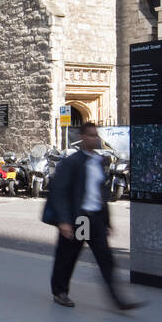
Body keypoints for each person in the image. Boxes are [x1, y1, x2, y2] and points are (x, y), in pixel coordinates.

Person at [43, 121, 142, 311]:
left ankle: (118, 299)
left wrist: (107, 221)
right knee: (69, 256)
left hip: (95, 217)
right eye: (90, 135)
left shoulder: (98, 161)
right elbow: (59, 191)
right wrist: (64, 221)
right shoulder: (73, 162)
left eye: (96, 135)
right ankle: (60, 291)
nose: (94, 138)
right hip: (80, 219)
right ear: (82, 137)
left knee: (105, 258)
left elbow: (101, 195)